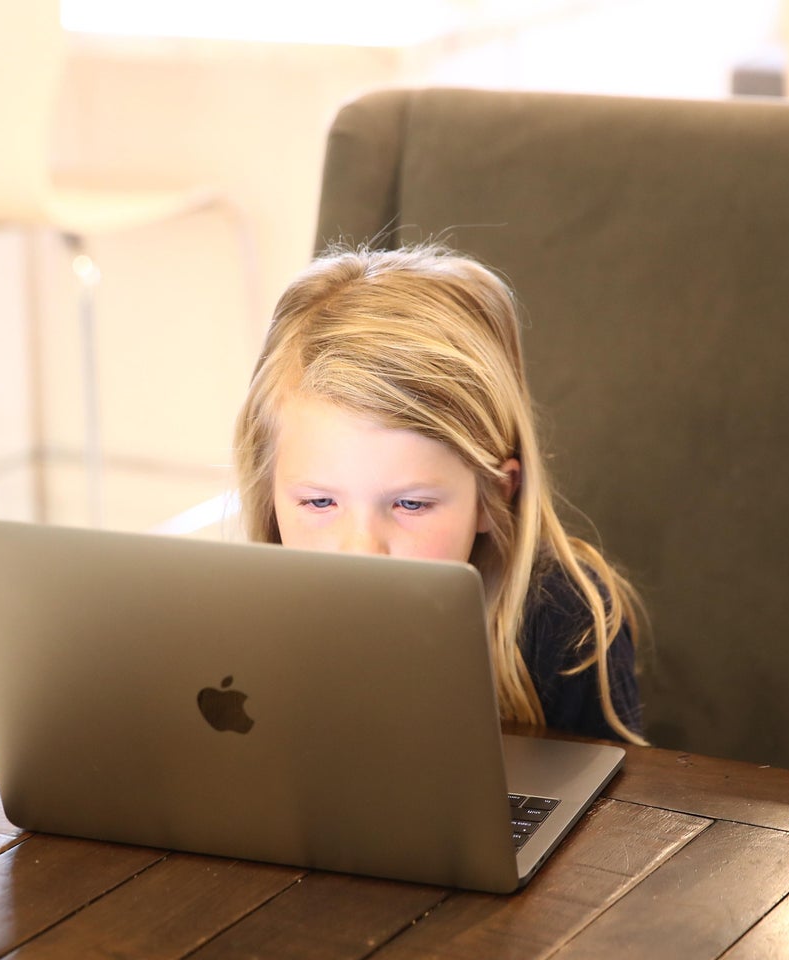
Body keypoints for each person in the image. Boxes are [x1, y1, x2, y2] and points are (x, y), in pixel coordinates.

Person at [233, 243, 646, 745]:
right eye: (320, 503)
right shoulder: (236, 619)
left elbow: (618, 814)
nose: (362, 550)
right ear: (269, 491)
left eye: (410, 504)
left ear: (494, 496)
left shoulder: (566, 623)